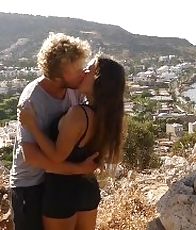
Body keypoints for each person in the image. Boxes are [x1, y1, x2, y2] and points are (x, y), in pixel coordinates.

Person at [20, 55, 126, 230]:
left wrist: (32, 127)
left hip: (61, 192)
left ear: (98, 80)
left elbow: (56, 156)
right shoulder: (108, 116)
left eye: (89, 69)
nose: (84, 71)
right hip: (88, 190)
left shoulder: (79, 114)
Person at [10, 33, 98, 230]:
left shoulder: (74, 89)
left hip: (58, 182)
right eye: (77, 70)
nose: (83, 72)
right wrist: (80, 169)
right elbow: (32, 157)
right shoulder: (32, 100)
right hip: (30, 186)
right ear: (57, 76)